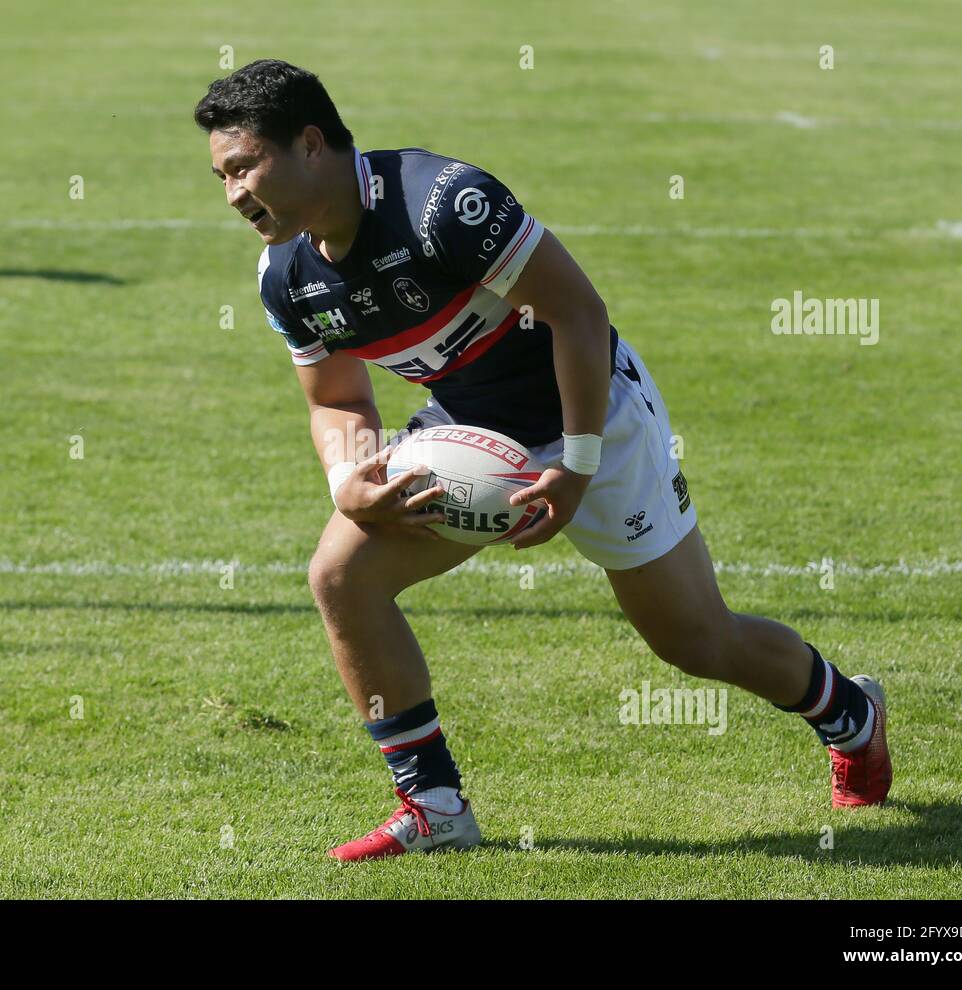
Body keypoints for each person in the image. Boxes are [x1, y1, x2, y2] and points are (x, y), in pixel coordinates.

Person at [194, 59, 892, 862]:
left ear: (311, 144)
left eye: (244, 167)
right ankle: (434, 807)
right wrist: (347, 480)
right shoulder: (283, 274)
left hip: (593, 414)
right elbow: (336, 400)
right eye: (220, 176)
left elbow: (577, 312)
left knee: (696, 641)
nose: (234, 195)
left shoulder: (442, 205)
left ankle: (850, 713)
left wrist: (581, 461)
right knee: (340, 576)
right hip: (470, 431)